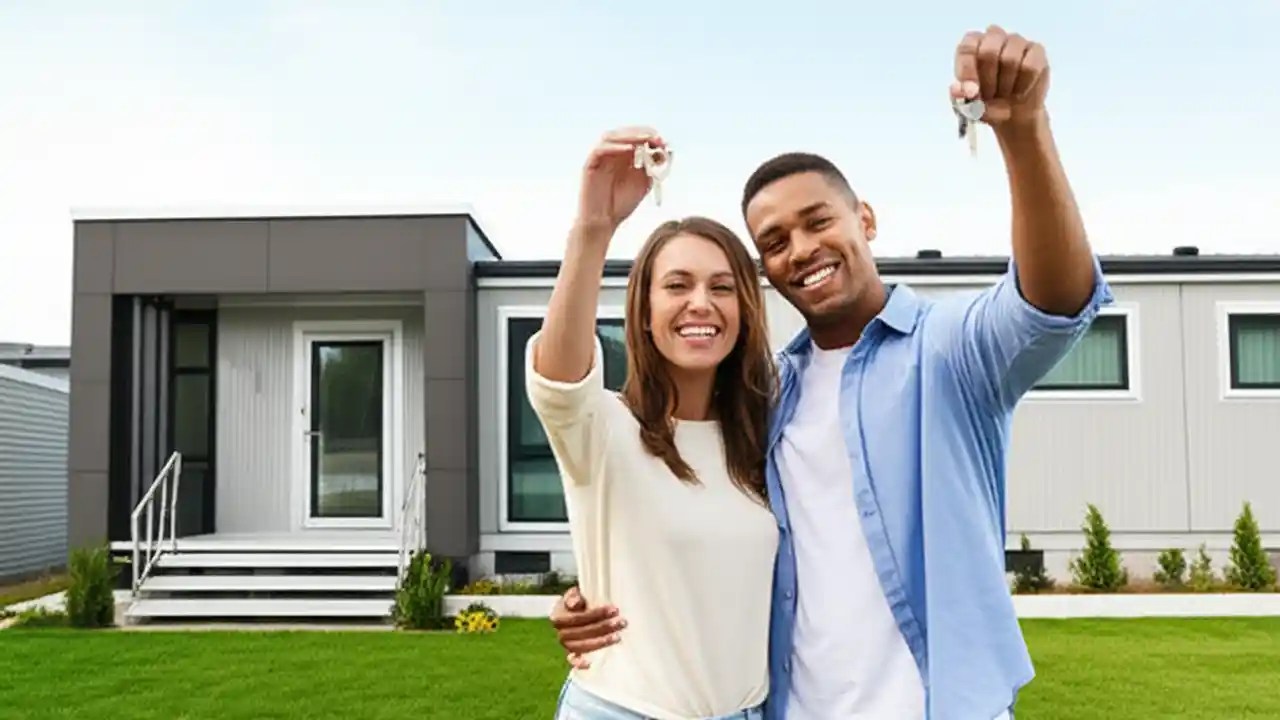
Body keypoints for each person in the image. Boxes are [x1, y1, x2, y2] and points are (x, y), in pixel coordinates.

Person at [547, 25, 1113, 720]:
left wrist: (1023, 131)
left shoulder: (951, 351)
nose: (802, 250)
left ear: (865, 219)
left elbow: (1052, 300)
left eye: (818, 221)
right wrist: (596, 597)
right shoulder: (768, 397)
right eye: (775, 242)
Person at [529, 127, 781, 719]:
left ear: (744, 311)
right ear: (643, 314)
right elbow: (558, 381)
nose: (701, 303)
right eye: (676, 286)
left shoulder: (767, 437)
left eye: (722, 287)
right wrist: (594, 228)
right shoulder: (601, 430)